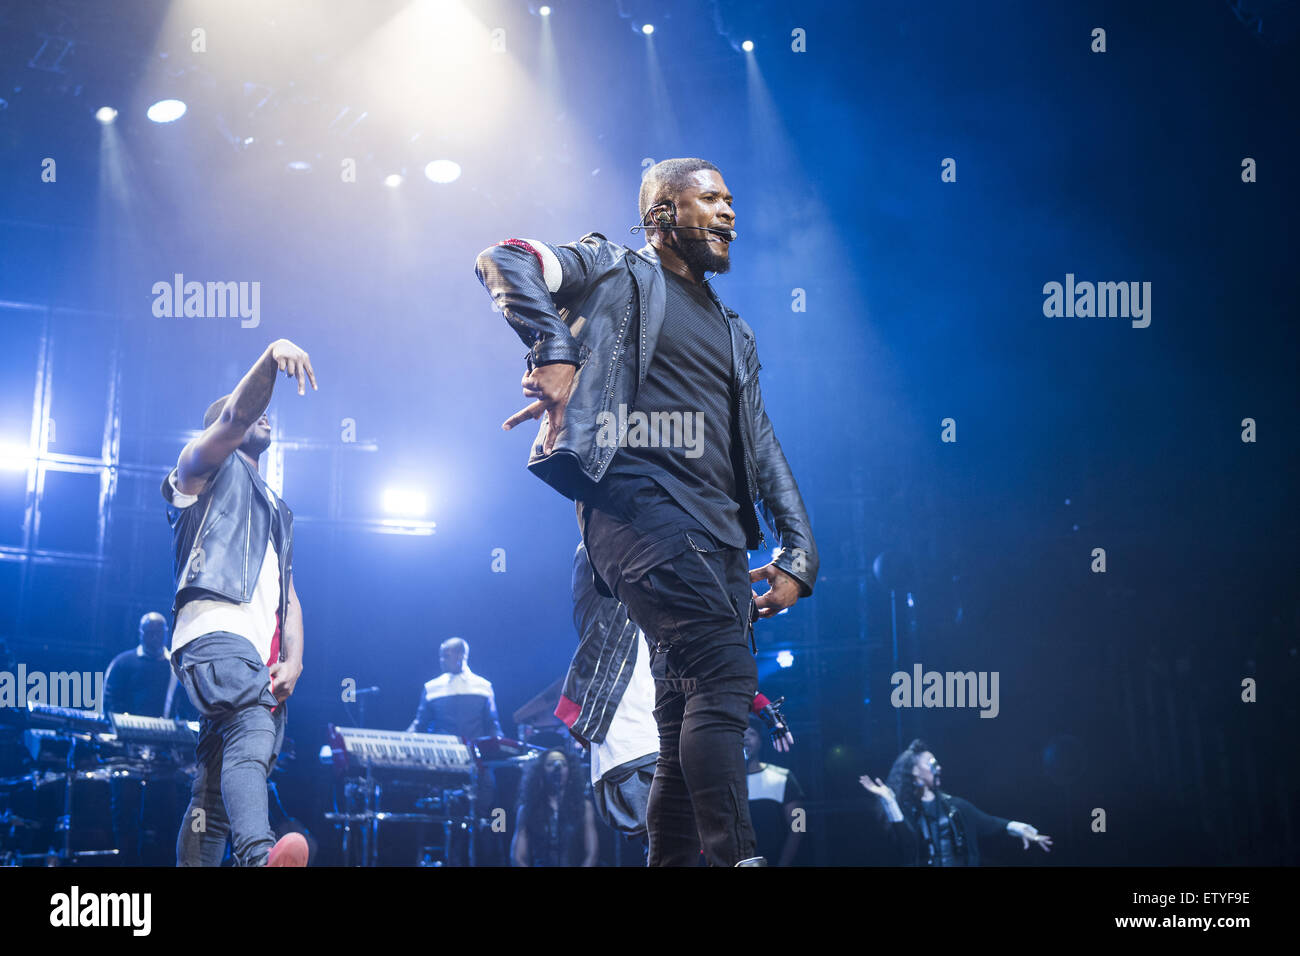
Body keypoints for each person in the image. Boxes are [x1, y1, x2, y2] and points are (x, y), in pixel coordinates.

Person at [476, 157, 818, 866]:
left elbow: (761, 443)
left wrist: (798, 553)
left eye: (732, 199)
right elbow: (505, 257)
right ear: (663, 213)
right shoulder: (614, 269)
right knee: (723, 684)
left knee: (681, 717)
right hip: (636, 509)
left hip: (717, 534)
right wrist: (554, 350)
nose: (728, 211)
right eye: (710, 198)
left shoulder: (734, 331)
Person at [161, 338, 316, 867]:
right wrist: (272, 354)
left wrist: (294, 660)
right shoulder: (197, 471)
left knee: (212, 797)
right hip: (213, 632)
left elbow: (290, 598)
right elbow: (233, 415)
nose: (264, 414)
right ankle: (257, 858)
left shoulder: (277, 510)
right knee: (251, 724)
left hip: (257, 655)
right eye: (257, 410)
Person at [561, 541, 794, 858]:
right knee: (674, 840)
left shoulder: (669, 620)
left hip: (668, 738)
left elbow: (710, 665)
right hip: (630, 744)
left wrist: (762, 705)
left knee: (692, 841)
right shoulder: (602, 587)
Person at [860, 739, 1053, 866]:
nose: (939, 767)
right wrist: (890, 803)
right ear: (915, 771)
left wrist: (1021, 828)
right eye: (932, 764)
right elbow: (908, 845)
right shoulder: (906, 811)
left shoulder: (955, 807)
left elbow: (990, 823)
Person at [510, 748, 599, 867]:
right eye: (550, 764)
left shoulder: (584, 806)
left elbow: (592, 854)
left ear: (570, 770)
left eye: (563, 764)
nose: (558, 767)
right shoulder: (527, 809)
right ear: (541, 772)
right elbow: (518, 857)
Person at [406, 637, 502, 739]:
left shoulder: (483, 686)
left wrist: (501, 749)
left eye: (446, 656)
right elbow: (420, 725)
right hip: (443, 752)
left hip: (475, 752)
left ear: (461, 655)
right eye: (441, 657)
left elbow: (493, 726)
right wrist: (401, 740)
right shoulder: (431, 688)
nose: (441, 660)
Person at [743, 716, 804, 866]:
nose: (745, 739)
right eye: (740, 734)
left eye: (751, 733)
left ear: (761, 742)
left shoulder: (783, 777)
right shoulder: (723, 782)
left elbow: (799, 828)